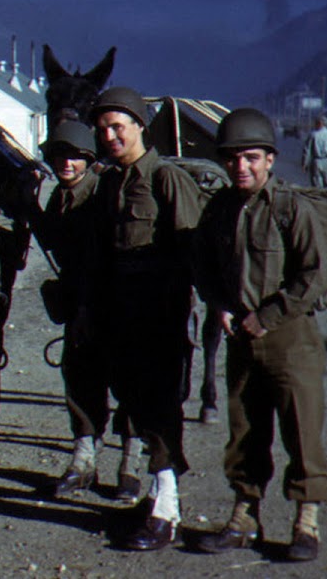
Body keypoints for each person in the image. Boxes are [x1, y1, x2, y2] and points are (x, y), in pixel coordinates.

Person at [193, 108, 327, 562]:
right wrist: (221, 306)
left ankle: (306, 523)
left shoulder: (293, 208)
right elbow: (204, 268)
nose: (241, 167)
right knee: (244, 433)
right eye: (232, 159)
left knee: (301, 432)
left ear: (270, 159)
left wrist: (268, 315)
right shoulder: (218, 209)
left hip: (291, 341)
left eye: (251, 157)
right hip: (240, 342)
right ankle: (244, 517)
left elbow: (314, 275)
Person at [90, 87, 203, 550]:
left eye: (119, 126)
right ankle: (157, 495)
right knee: (134, 404)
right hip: (121, 312)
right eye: (103, 130)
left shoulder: (165, 178)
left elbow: (190, 249)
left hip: (158, 312)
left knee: (159, 408)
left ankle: (168, 511)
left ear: (141, 126)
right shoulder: (112, 181)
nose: (111, 136)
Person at [31, 120, 137, 498]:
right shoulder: (59, 196)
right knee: (79, 381)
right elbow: (56, 243)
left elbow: (100, 256)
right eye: (59, 157)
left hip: (111, 302)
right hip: (79, 302)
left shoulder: (101, 193)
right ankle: (84, 458)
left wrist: (88, 308)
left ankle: (130, 459)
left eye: (75, 157)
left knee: (125, 382)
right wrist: (28, 206)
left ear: (90, 160)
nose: (66, 164)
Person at [301, 117, 327, 188]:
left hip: (317, 161)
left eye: (316, 123)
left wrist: (304, 164)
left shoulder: (313, 135)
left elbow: (307, 151)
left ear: (319, 124)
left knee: (317, 185)